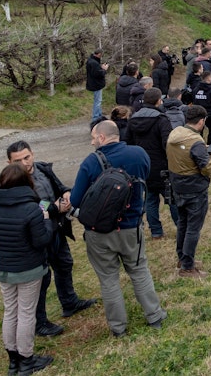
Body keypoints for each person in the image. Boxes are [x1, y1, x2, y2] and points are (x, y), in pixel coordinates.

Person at [70, 121, 167, 338]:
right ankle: (155, 316)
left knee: (109, 279)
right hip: (131, 227)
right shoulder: (139, 154)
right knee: (139, 271)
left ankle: (118, 328)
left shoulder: (91, 162)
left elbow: (75, 200)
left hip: (99, 232)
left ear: (103, 138)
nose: (92, 141)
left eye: (94, 137)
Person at [6, 141, 96, 339]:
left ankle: (70, 302)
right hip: (36, 237)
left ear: (32, 154)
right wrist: (55, 208)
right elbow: (29, 210)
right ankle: (40, 322)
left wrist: (65, 193)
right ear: (9, 162)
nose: (25, 163)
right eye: (18, 160)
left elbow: (59, 186)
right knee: (42, 279)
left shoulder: (43, 169)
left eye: (27, 157)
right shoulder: (13, 182)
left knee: (64, 264)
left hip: (56, 229)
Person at [0, 162, 54, 375]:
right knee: (26, 313)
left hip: (3, 267)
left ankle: (13, 360)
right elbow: (41, 240)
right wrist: (47, 221)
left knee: (10, 311)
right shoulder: (32, 208)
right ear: (27, 182)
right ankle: (26, 359)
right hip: (28, 269)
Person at [166, 105, 211, 279]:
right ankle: (188, 268)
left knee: (183, 223)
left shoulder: (174, 134)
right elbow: (206, 169)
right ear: (201, 121)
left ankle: (182, 259)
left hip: (177, 186)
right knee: (193, 228)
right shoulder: (195, 142)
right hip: (195, 190)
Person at [126, 87, 179, 240]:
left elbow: (128, 142)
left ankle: (156, 230)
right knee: (172, 198)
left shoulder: (133, 119)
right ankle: (180, 226)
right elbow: (168, 144)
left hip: (142, 166)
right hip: (161, 166)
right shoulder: (161, 119)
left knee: (150, 198)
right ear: (158, 101)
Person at [192, 70, 211, 144]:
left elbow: (193, 100)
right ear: (209, 78)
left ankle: (199, 146)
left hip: (199, 114)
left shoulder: (196, 89)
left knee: (198, 132)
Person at [85, 50, 108, 126]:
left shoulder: (90, 61)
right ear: (99, 54)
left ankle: (99, 115)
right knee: (98, 102)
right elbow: (98, 74)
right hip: (96, 85)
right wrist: (104, 69)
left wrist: (100, 67)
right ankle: (95, 118)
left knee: (98, 101)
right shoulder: (94, 63)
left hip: (93, 84)